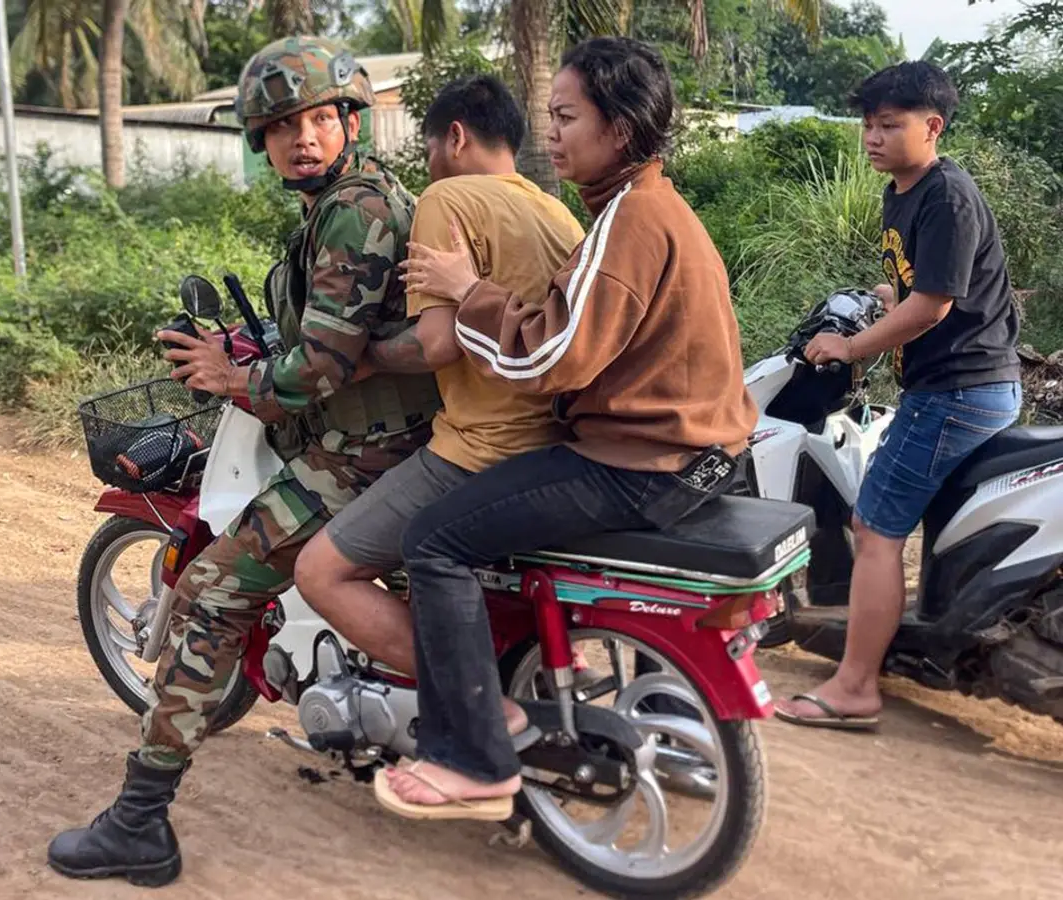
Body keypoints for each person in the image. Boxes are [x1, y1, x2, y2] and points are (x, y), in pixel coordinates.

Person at [46, 35, 441, 886]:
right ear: (261, 142)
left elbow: (324, 368)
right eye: (282, 125)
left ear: (348, 121)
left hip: (358, 461)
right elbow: (335, 336)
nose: (302, 137)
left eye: (318, 119)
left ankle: (140, 821)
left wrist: (237, 376)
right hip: (373, 450)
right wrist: (246, 349)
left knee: (208, 594)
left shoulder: (357, 209)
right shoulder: (339, 207)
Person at [371, 36, 758, 820]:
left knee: (434, 541)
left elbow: (551, 356)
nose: (551, 134)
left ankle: (475, 757)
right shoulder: (645, 207)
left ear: (619, 128)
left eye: (566, 116)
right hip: (703, 457)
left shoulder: (631, 221)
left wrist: (464, 287)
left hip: (641, 462)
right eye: (549, 117)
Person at [292, 74, 585, 723]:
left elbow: (436, 344)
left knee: (321, 572)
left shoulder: (447, 197)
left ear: (455, 136)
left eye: (428, 150)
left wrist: (359, 358)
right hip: (555, 449)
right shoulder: (556, 209)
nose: (427, 167)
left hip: (479, 448)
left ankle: (483, 703)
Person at [774, 61, 1022, 731]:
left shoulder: (947, 195)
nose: (873, 138)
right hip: (960, 388)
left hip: (955, 392)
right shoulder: (903, 191)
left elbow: (935, 307)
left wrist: (853, 347)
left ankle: (854, 686)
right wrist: (885, 297)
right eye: (867, 125)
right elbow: (917, 288)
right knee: (917, 526)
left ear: (932, 127)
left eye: (889, 125)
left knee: (874, 529)